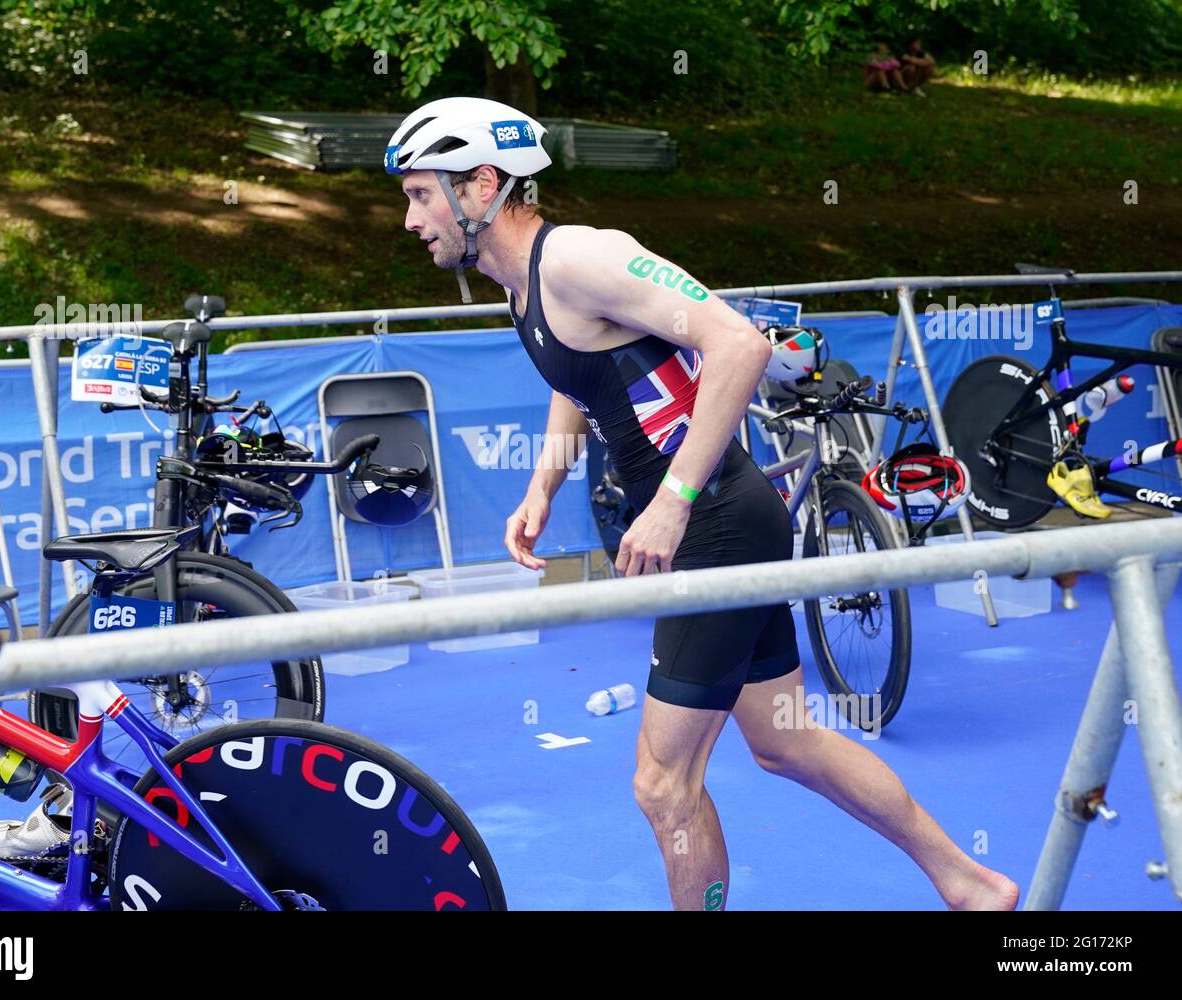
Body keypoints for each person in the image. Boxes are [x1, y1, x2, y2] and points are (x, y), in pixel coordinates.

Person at [387, 96, 1020, 911]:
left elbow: (739, 344)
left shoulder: (581, 256)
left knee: (661, 782)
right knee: (787, 741)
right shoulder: (519, 284)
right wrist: (541, 485)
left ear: (481, 184)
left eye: (420, 193)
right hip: (722, 516)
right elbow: (575, 383)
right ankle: (970, 883)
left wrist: (673, 502)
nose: (410, 218)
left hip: (716, 517)